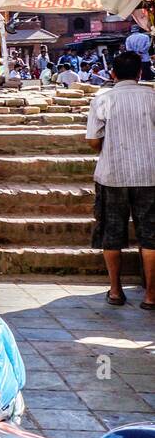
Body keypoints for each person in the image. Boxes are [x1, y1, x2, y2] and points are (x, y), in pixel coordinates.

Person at [86, 52, 155, 309]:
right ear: (140, 73)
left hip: (112, 174)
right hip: (150, 174)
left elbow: (93, 140)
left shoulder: (103, 98)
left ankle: (115, 291)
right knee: (151, 234)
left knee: (111, 233)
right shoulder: (152, 97)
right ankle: (150, 295)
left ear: (112, 74)